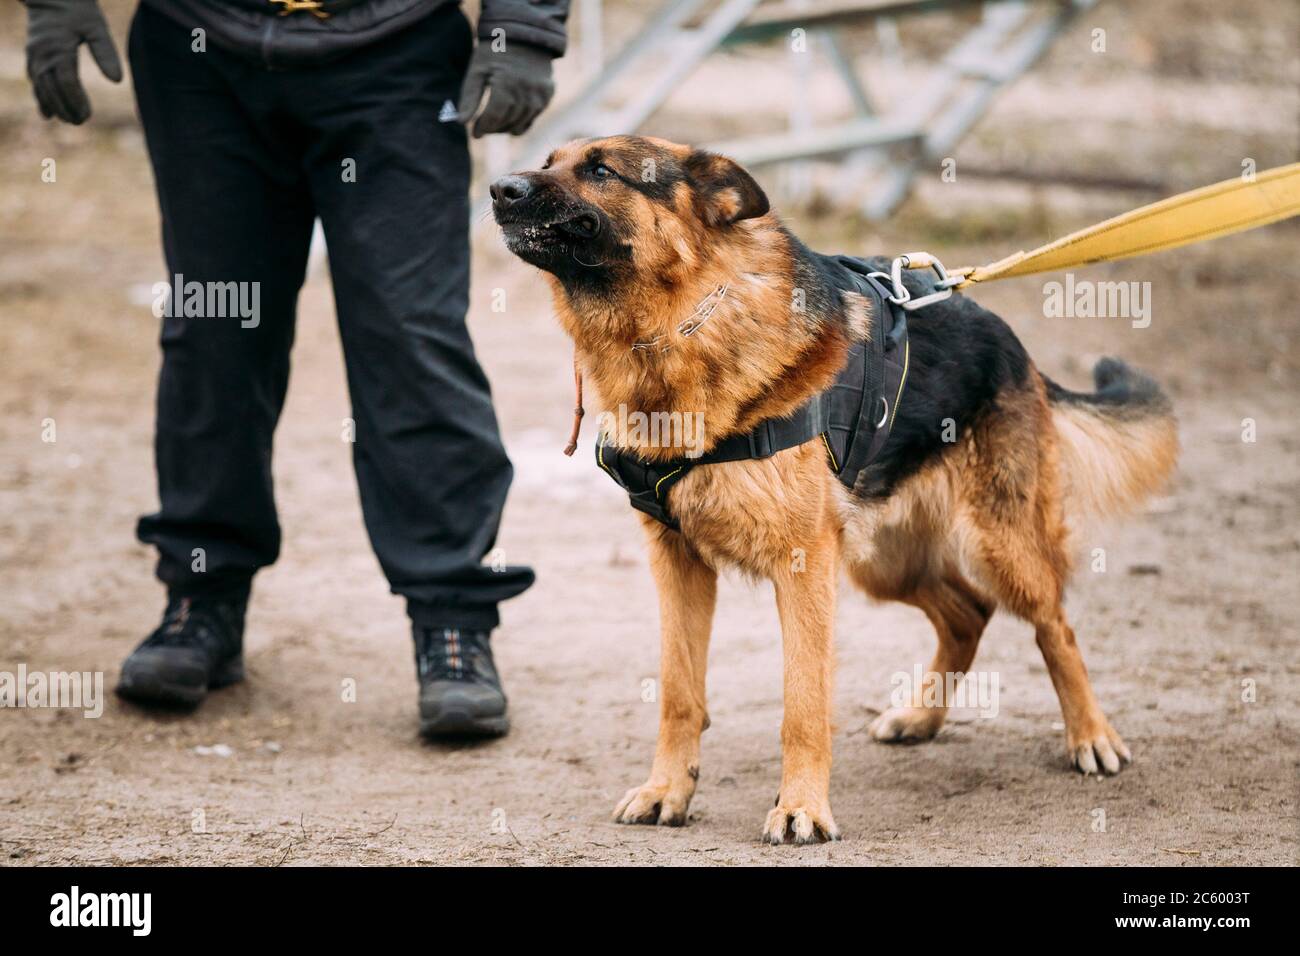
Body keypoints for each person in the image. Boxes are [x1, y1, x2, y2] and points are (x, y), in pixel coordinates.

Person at [22, 0, 569, 738]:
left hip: (396, 50)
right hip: (200, 49)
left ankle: (452, 621)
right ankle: (202, 601)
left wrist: (525, 27)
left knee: (409, 333)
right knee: (217, 328)